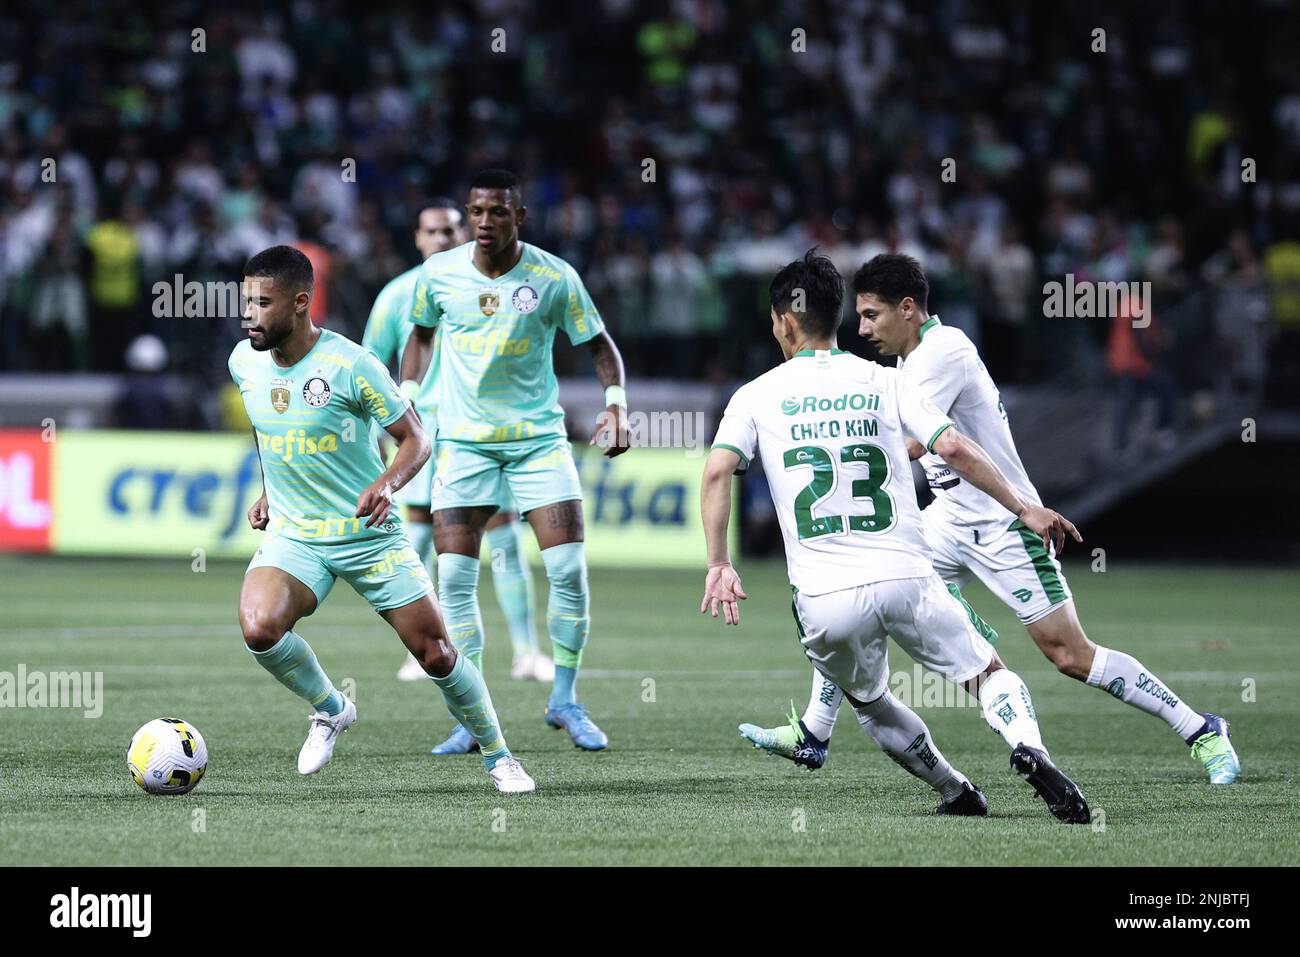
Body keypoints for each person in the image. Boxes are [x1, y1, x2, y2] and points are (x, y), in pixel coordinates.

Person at [742, 253, 1240, 785]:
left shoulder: (945, 349)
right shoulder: (905, 364)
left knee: (1069, 654)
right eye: (858, 316)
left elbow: (915, 442)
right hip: (947, 519)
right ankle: (816, 729)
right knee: (867, 580)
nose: (862, 329)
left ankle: (1201, 728)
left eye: (872, 315)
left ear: (907, 308)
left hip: (1002, 522)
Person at [701, 250, 1091, 822]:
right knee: (987, 675)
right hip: (908, 576)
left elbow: (716, 473)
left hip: (825, 597)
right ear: (836, 316)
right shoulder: (886, 380)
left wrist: (719, 563)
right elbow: (953, 446)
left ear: (784, 320)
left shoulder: (755, 395)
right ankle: (1029, 749)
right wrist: (1023, 507)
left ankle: (956, 789)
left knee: (869, 700)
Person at [230, 244, 534, 792]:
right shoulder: (243, 362)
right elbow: (265, 428)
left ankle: (499, 755)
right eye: (245, 301)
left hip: (368, 535)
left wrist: (385, 484)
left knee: (436, 653)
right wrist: (270, 487)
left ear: (301, 303)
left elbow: (417, 438)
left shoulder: (351, 364)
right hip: (297, 534)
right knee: (259, 627)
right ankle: (331, 708)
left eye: (262, 303)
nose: (249, 314)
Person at [401, 169, 631, 752]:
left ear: (518, 217)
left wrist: (616, 405)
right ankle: (474, 716)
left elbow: (599, 345)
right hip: (465, 444)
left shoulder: (554, 277)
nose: (484, 222)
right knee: (452, 579)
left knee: (568, 573)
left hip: (538, 443)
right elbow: (421, 334)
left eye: (497, 212)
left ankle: (565, 700)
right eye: (476, 211)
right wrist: (405, 393)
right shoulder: (438, 275)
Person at [362, 198, 552, 686]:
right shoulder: (396, 296)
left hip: (483, 434)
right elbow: (367, 370)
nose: (442, 240)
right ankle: (424, 648)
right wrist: (385, 435)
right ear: (417, 238)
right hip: (421, 441)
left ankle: (528, 652)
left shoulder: (491, 287)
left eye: (450, 231)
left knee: (505, 533)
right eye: (432, 232)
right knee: (420, 540)